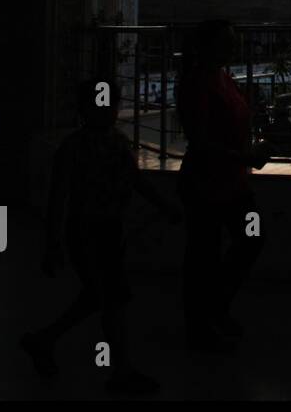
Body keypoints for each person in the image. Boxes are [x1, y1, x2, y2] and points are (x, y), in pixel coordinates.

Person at [21, 81, 181, 394]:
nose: (108, 109)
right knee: (111, 299)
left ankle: (45, 340)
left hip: (101, 231)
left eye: (110, 103)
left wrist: (164, 205)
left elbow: (132, 181)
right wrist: (52, 243)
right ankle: (119, 370)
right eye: (102, 103)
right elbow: (59, 198)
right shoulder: (90, 146)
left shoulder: (100, 144)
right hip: (90, 231)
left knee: (100, 297)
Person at [177, 20, 269, 352]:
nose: (234, 47)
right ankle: (202, 320)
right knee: (204, 254)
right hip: (208, 180)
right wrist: (244, 156)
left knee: (244, 240)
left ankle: (212, 310)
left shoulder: (221, 77)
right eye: (227, 42)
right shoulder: (198, 83)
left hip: (230, 179)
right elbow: (201, 143)